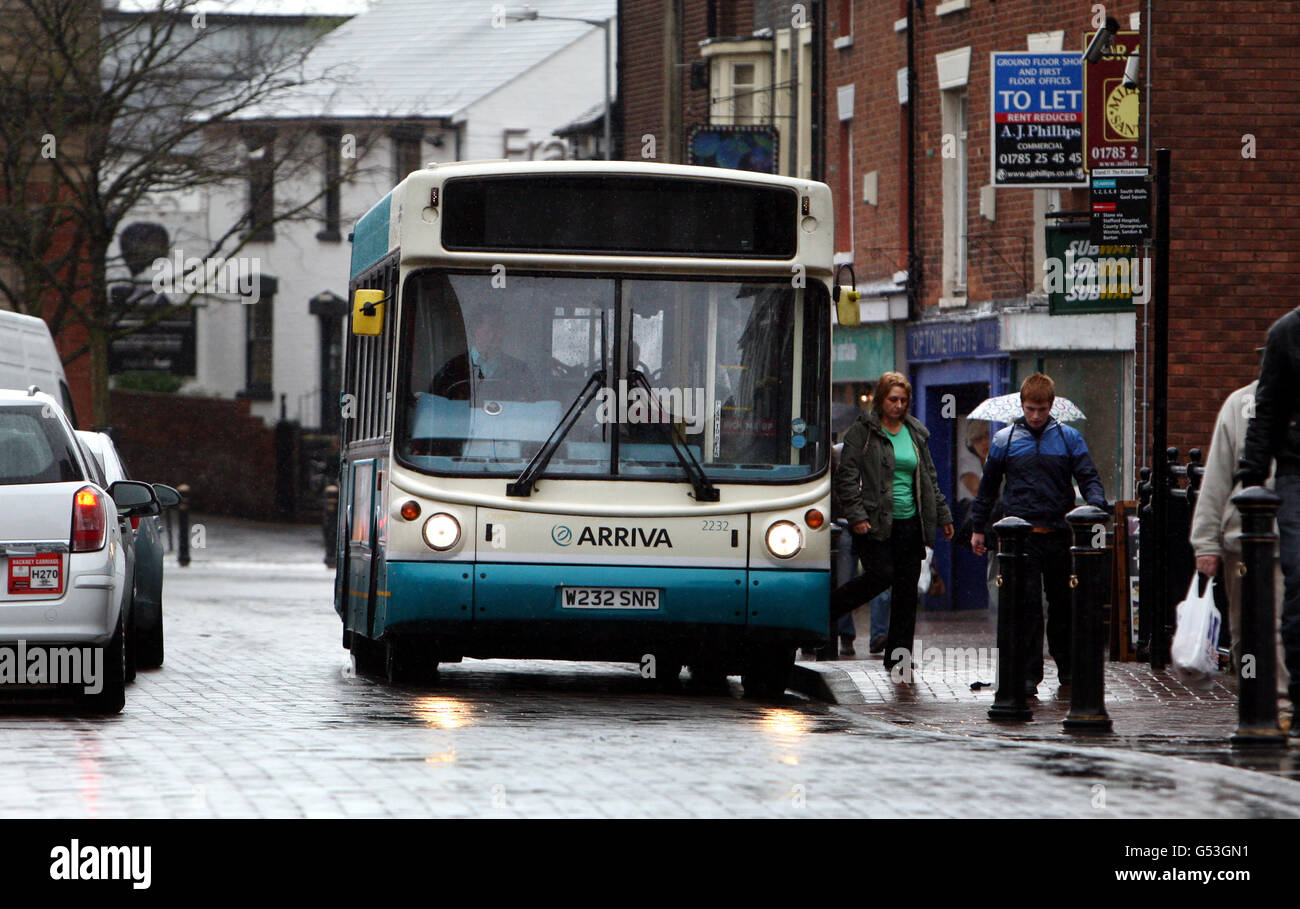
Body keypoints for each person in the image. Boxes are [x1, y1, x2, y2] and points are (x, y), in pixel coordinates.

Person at [969, 373, 1107, 696]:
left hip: (1059, 532)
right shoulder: (1005, 440)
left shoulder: (1069, 438)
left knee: (1062, 605)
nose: (1035, 415)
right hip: (1021, 536)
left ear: (1051, 406)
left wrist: (1097, 505)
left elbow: (1088, 477)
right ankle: (1030, 674)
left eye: (1042, 409)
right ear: (1022, 405)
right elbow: (987, 489)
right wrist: (978, 528)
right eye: (1030, 408)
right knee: (1028, 608)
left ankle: (1068, 670)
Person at [829, 372, 954, 673]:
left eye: (903, 400)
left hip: (910, 521)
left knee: (906, 590)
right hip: (874, 522)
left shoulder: (915, 433)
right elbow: (846, 477)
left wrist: (944, 515)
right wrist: (857, 517)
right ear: (880, 399)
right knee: (881, 575)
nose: (898, 405)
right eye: (892, 399)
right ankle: (827, 609)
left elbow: (929, 478)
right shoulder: (863, 432)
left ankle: (900, 658)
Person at [1191, 378, 1289, 701]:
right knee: (1243, 632)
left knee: (1275, 628)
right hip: (1243, 540)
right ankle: (1250, 690)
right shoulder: (1239, 404)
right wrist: (1206, 542)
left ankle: (1278, 701)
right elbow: (1217, 475)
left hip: (1283, 535)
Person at [1236, 305, 1300, 728]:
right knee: (1299, 582)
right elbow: (1265, 410)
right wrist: (1252, 481)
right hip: (1296, 471)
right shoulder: (1287, 334)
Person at [431, 305, 536, 400]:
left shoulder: (520, 370)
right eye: (492, 328)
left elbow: (533, 405)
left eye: (501, 329)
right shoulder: (451, 369)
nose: (497, 335)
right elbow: (435, 407)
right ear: (474, 329)